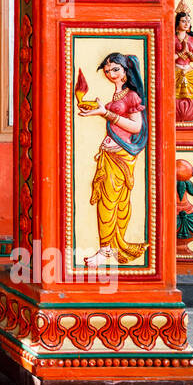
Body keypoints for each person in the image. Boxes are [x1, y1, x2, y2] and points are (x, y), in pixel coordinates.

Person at [77, 52, 148, 267]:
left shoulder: (131, 96)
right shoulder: (117, 96)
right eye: (107, 70)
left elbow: (136, 126)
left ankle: (106, 250)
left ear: (126, 72)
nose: (110, 73)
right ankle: (108, 248)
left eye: (115, 69)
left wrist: (104, 113)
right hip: (109, 153)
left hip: (121, 155)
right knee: (105, 201)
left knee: (111, 203)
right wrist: (98, 110)